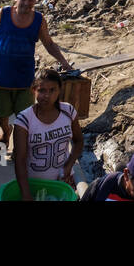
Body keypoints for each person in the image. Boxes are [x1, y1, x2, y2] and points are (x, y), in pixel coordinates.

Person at [0, 0, 72, 149]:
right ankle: (5, 131)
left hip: (25, 79)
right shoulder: (4, 14)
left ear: (35, 0)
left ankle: (19, 146)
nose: (27, 3)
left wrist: (64, 62)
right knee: (0, 113)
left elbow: (49, 44)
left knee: (24, 116)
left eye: (31, 0)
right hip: (1, 77)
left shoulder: (38, 20)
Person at [13, 69, 83, 200]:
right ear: (33, 90)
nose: (47, 95)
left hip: (64, 181)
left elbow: (79, 141)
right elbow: (20, 160)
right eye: (42, 90)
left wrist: (69, 165)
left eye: (52, 90)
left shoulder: (68, 111)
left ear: (59, 90)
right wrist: (26, 193)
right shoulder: (24, 121)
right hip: (35, 184)